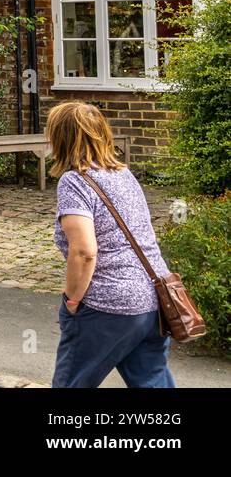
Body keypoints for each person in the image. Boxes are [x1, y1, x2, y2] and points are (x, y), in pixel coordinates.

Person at [50, 101, 174, 388]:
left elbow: (84, 252)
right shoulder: (123, 173)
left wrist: (71, 300)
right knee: (152, 381)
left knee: (72, 384)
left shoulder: (74, 182)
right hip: (155, 297)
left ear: (61, 138)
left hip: (109, 304)